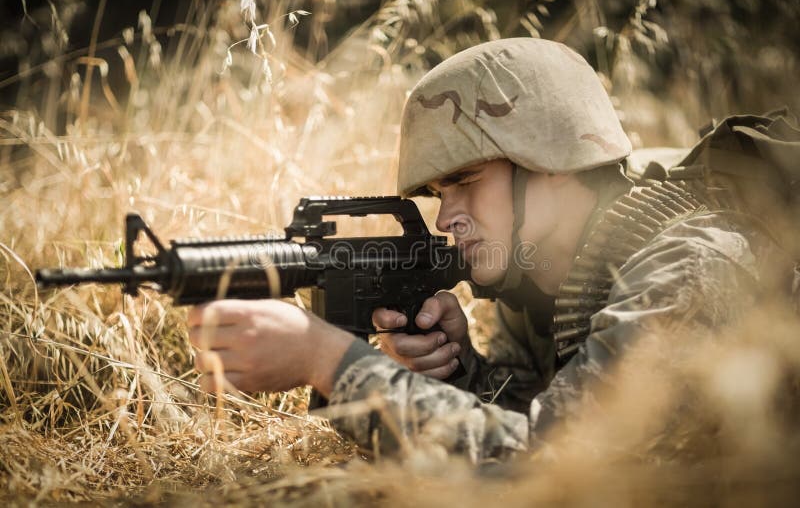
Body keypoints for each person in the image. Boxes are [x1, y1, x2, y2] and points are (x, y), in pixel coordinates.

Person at [187, 38, 794, 462]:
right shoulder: (539, 280)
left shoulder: (690, 266)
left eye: (467, 182)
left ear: (552, 161)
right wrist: (461, 371)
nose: (447, 216)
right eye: (437, 192)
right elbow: (542, 409)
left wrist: (330, 362)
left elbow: (558, 468)